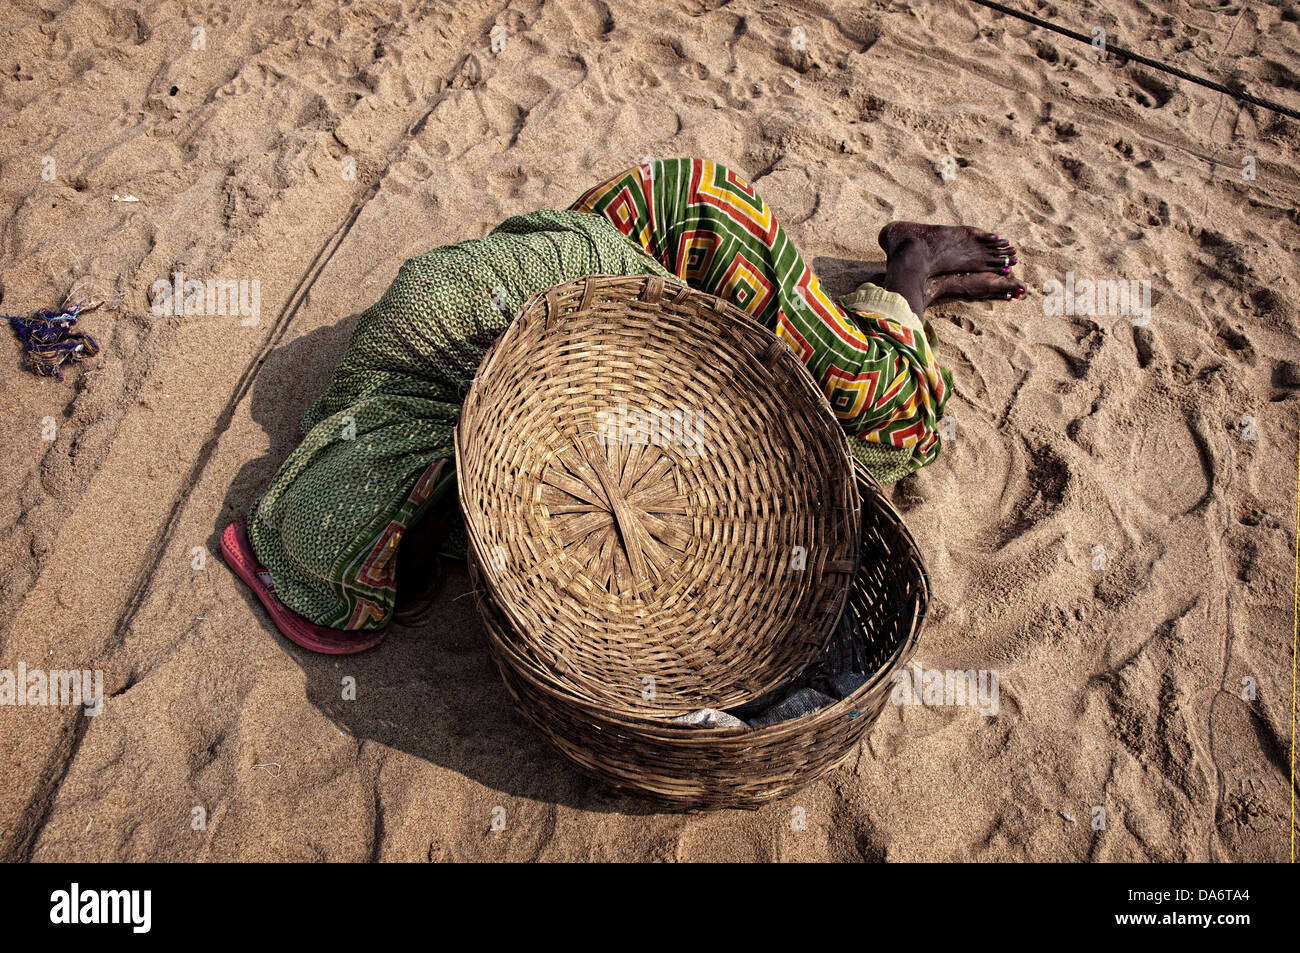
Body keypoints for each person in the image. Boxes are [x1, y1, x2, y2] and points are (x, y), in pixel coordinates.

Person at [221, 158, 1023, 653]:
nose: (435, 560)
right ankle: (903, 298)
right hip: (616, 224)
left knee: (896, 419)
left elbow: (707, 424)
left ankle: (911, 266)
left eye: (409, 548)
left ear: (419, 477)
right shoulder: (390, 383)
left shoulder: (508, 401)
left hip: (703, 229)